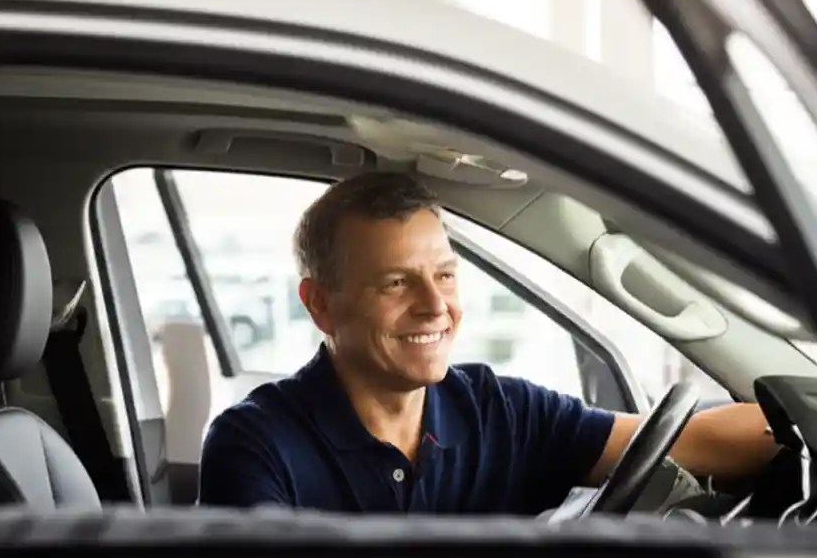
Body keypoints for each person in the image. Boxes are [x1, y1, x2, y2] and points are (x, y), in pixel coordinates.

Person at [198, 172, 776, 514]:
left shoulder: (498, 410)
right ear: (320, 303)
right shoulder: (255, 444)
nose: (435, 305)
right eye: (396, 282)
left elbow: (694, 440)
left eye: (444, 275)